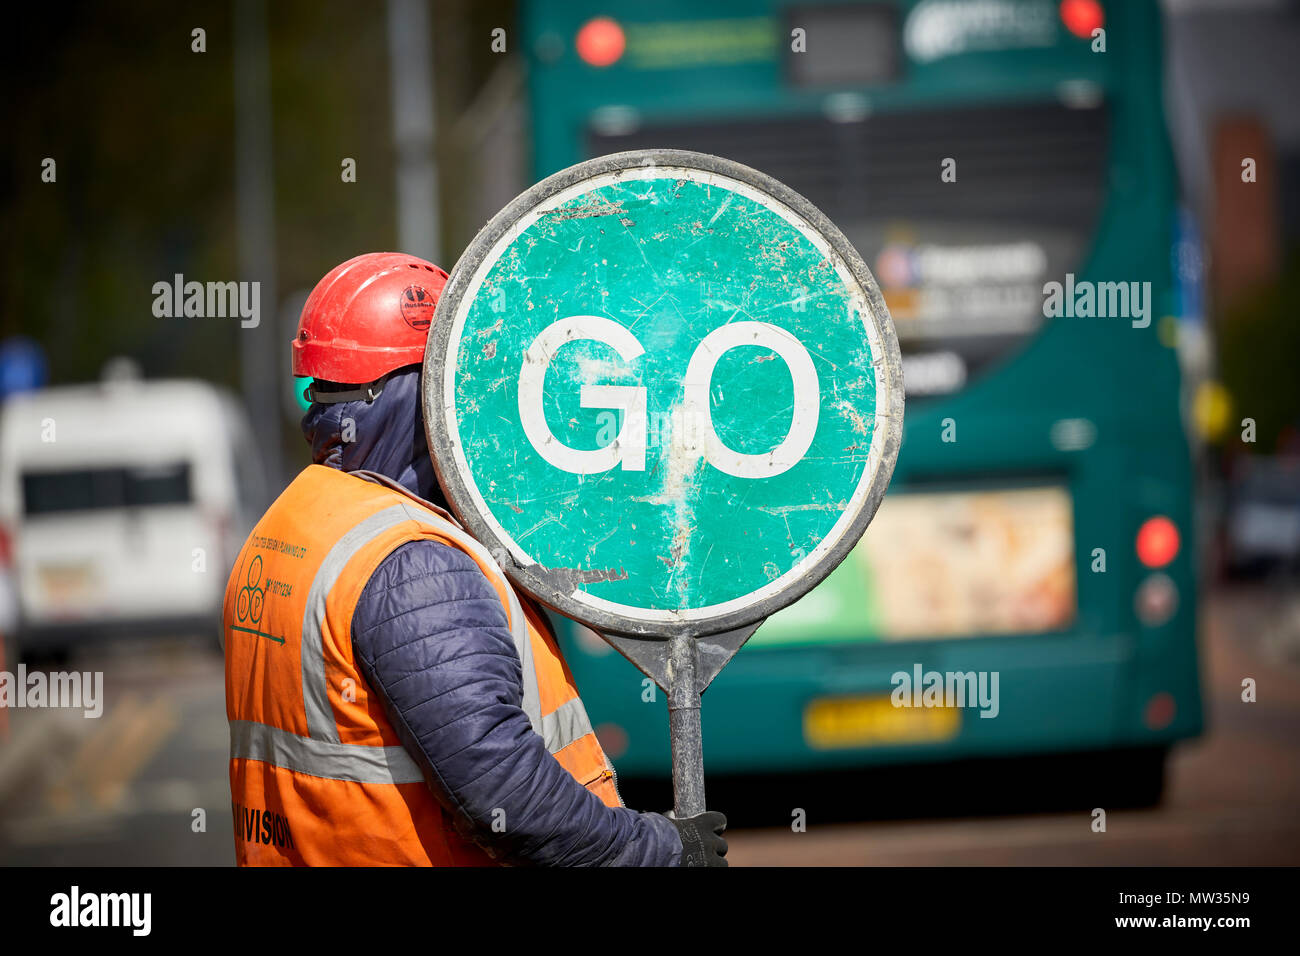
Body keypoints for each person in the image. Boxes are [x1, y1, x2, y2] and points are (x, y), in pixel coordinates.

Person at [223, 251, 728, 867]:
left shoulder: (291, 525)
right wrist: (660, 851)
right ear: (420, 389)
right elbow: (501, 789)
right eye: (460, 385)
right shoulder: (412, 562)